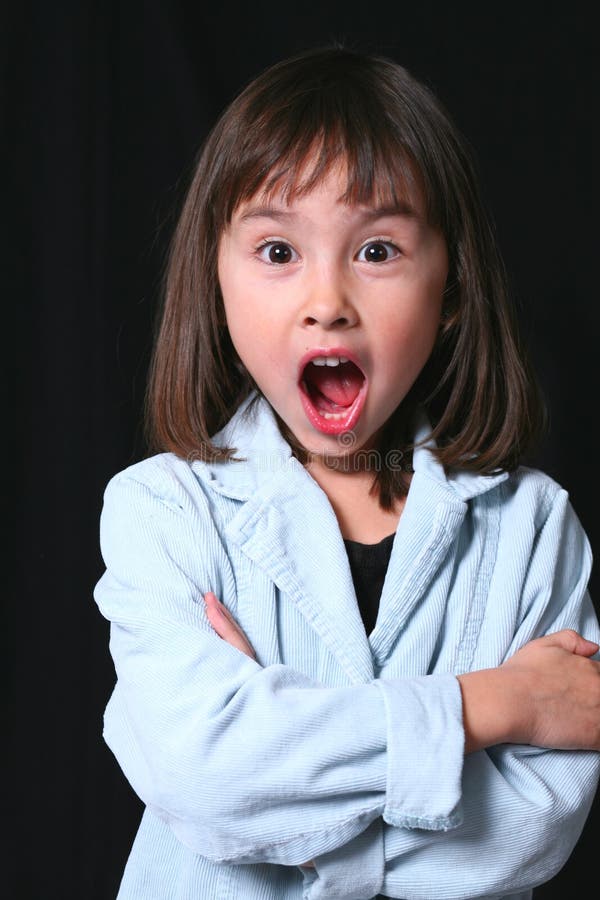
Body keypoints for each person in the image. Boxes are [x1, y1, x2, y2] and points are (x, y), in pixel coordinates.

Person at [94, 46, 600, 900]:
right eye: (278, 251)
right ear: (215, 277)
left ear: (451, 292)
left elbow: (531, 828)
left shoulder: (534, 526)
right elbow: (207, 777)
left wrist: (275, 798)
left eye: (376, 250)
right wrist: (500, 704)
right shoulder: (161, 511)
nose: (326, 299)